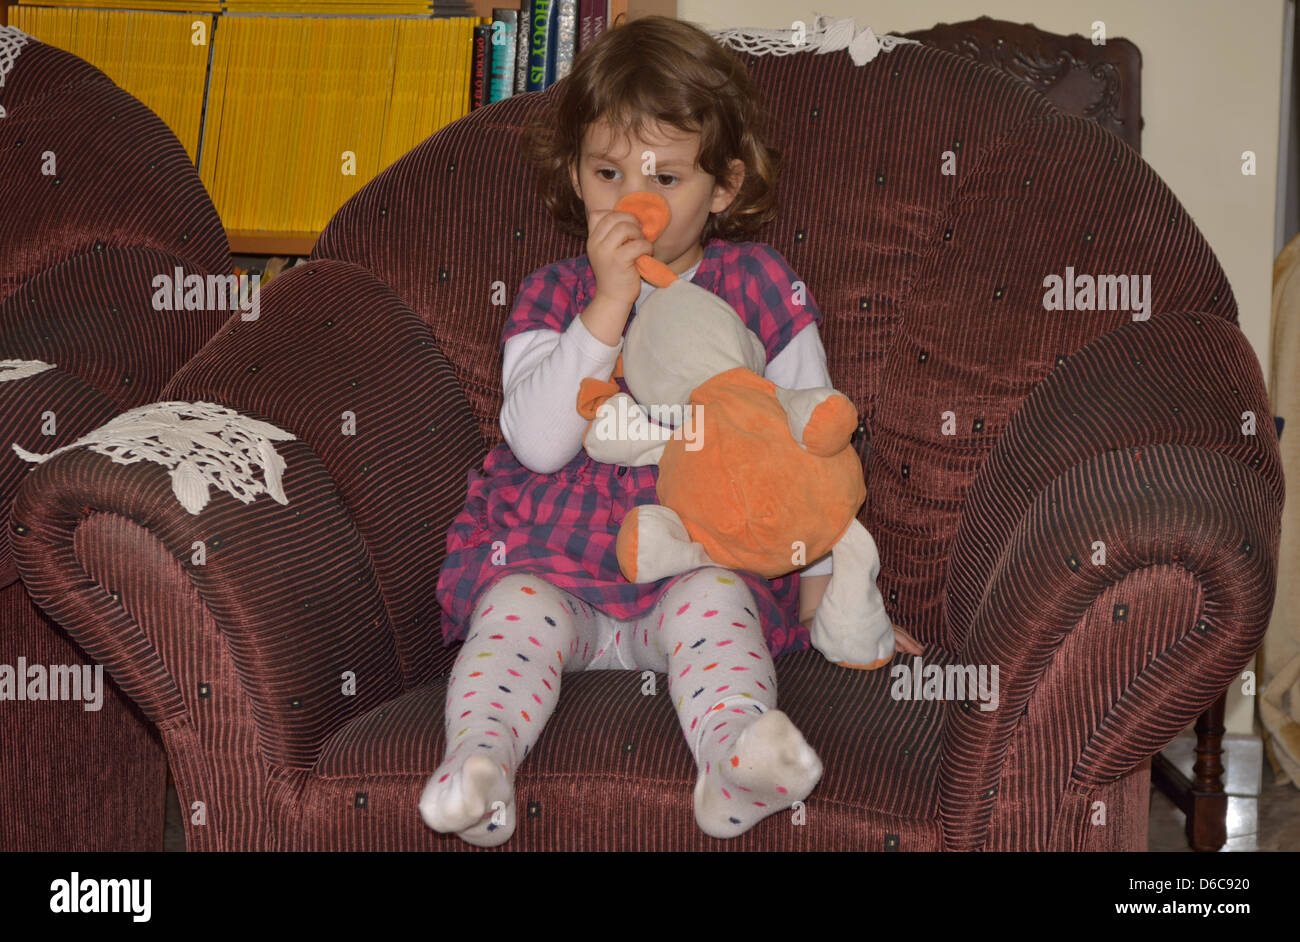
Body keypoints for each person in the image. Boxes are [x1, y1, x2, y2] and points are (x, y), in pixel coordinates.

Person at [424, 15, 919, 847]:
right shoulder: (554, 297)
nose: (632, 200)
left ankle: (733, 767)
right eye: (607, 171)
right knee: (508, 614)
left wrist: (834, 593)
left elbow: (808, 449)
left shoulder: (758, 286)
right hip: (560, 565)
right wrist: (606, 308)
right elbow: (539, 444)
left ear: (723, 187)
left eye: (667, 175)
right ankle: (480, 767)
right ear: (574, 175)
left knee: (718, 607)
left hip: (699, 557)